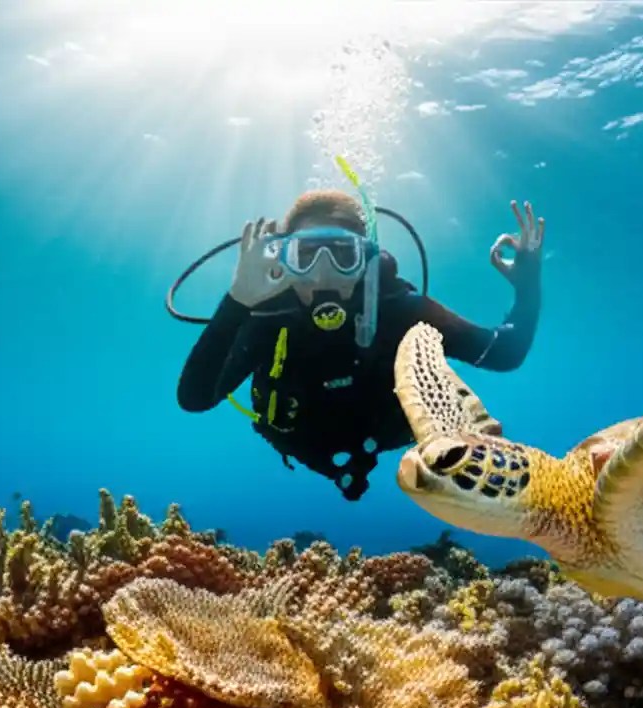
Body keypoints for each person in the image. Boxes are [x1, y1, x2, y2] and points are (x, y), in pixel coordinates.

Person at [176, 189, 544, 500]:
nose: (323, 273)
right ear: (284, 261)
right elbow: (195, 398)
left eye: (343, 255)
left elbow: (503, 353)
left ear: (365, 259)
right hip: (300, 443)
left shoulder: (398, 308)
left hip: (390, 433)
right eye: (305, 256)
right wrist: (239, 299)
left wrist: (528, 283)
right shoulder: (270, 316)